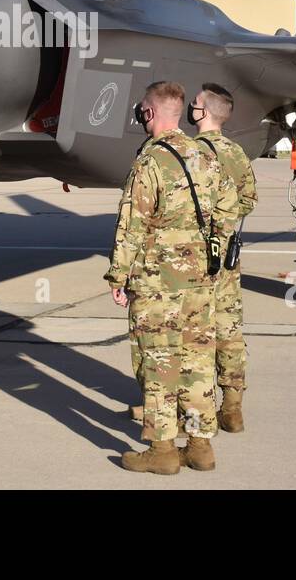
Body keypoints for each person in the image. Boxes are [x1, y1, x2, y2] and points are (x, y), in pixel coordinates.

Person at [105, 81, 237, 474]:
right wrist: (209, 252)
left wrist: (118, 274)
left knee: (160, 362)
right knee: (197, 362)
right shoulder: (204, 156)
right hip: (200, 282)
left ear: (149, 112)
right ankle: (200, 447)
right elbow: (228, 211)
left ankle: (162, 451)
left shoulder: (149, 162)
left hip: (157, 284)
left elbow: (131, 223)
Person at [188, 83, 258, 432]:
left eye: (196, 103)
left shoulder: (192, 152)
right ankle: (233, 408)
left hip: (196, 257)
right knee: (229, 330)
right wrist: (226, 226)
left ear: (206, 112)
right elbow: (248, 198)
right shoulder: (236, 152)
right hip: (227, 257)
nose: (191, 107)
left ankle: (189, 410)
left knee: (193, 333)